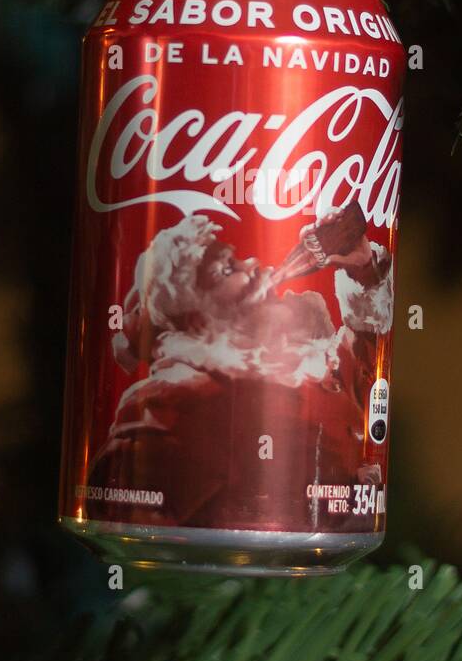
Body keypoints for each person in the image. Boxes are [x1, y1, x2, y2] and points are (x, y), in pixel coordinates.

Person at [94, 205, 393, 531]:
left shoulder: (294, 365)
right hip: (224, 571)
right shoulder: (175, 396)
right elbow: (124, 510)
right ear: (194, 316)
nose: (253, 265)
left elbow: (362, 370)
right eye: (225, 270)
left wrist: (362, 266)